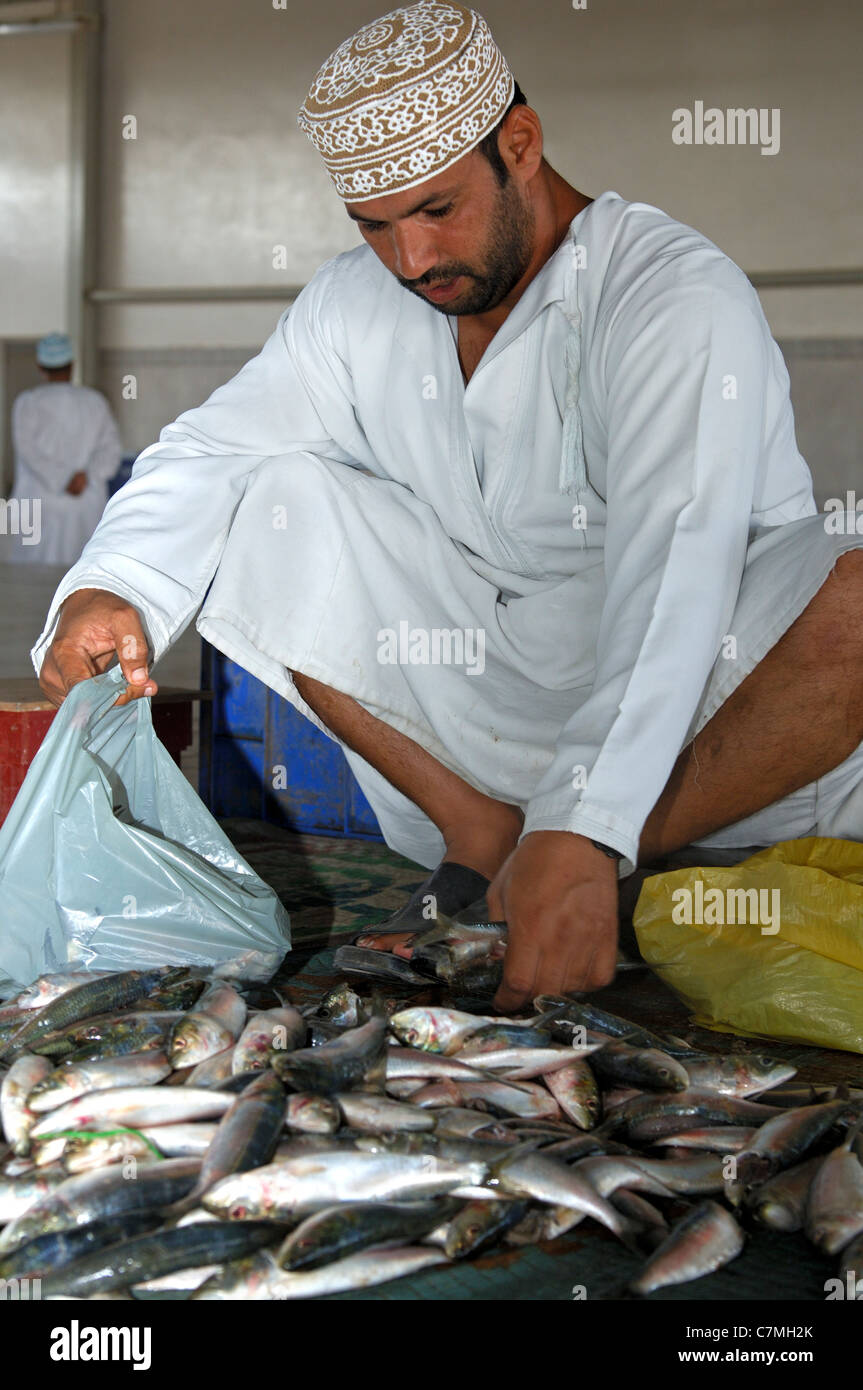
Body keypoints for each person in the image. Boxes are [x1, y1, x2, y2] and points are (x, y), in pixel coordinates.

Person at [33, 2, 863, 1013]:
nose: (411, 261)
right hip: (487, 693)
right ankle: (484, 837)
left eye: (435, 209)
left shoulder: (665, 295)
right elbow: (213, 447)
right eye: (373, 227)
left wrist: (588, 820)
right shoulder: (356, 305)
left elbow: (672, 575)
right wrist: (110, 588)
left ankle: (602, 850)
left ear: (519, 144)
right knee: (274, 495)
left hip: (709, 705)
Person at [8, 333, 122, 566]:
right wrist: (85, 477)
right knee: (82, 579)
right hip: (85, 506)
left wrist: (62, 479)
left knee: (30, 587)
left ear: (41, 367)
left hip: (39, 509)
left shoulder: (27, 403)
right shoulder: (95, 402)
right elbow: (111, 451)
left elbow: (28, 451)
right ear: (71, 365)